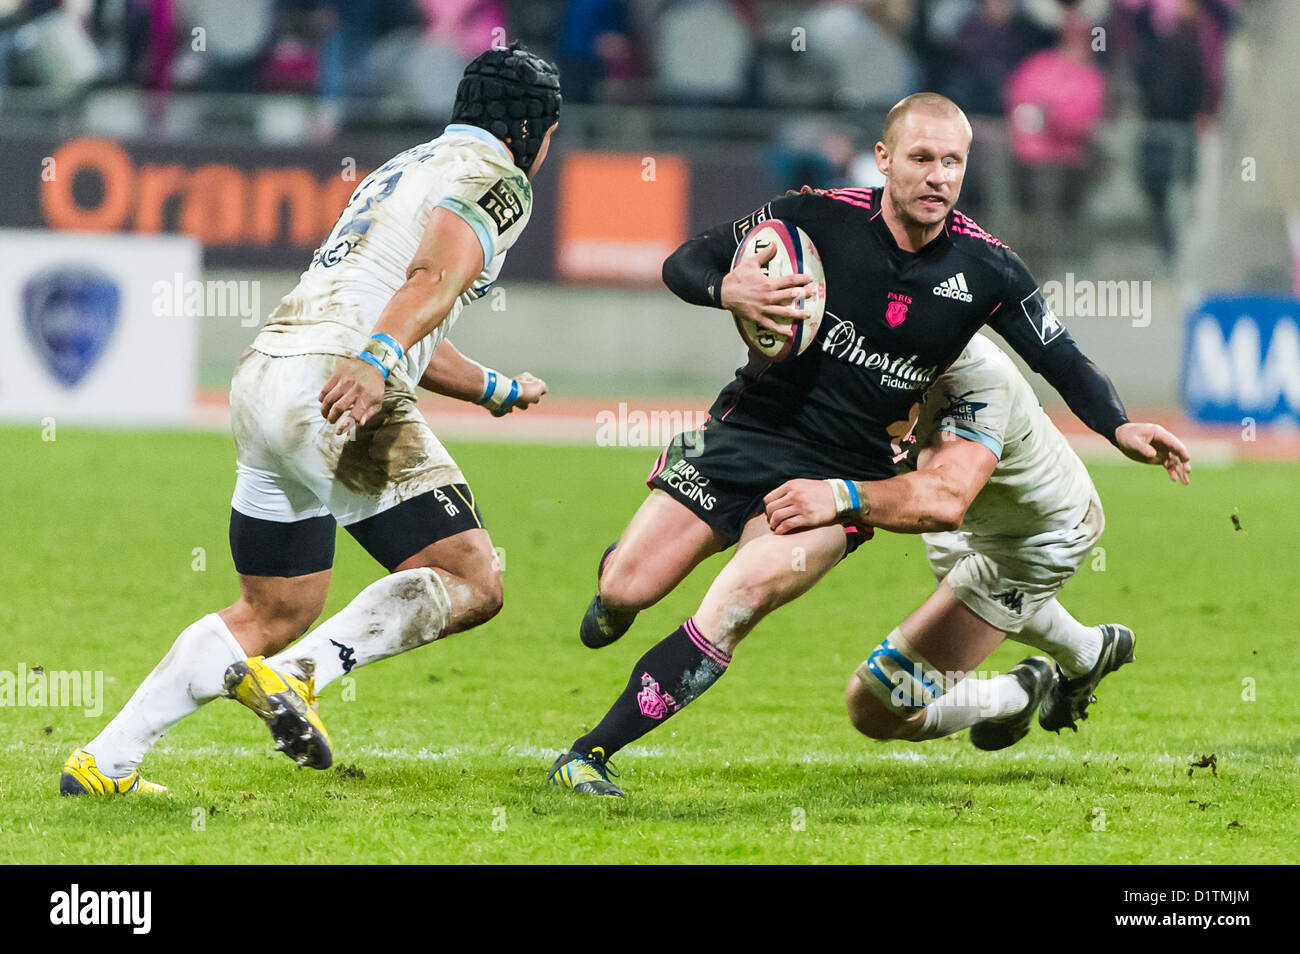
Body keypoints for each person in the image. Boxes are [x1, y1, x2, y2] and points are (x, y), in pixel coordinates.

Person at [547, 92, 1189, 798]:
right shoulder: (812, 217)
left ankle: (589, 753)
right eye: (921, 159)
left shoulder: (988, 270)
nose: (938, 176)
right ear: (884, 160)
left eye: (953, 162)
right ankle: (617, 595)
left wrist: (1119, 425)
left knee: (737, 601)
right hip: (746, 432)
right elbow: (685, 259)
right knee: (627, 586)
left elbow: (1058, 355)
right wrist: (726, 288)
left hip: (842, 477)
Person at [60, 44, 561, 795]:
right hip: (335, 386)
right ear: (533, 131)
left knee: (275, 604)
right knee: (471, 576)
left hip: (265, 379)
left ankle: (106, 761)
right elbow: (431, 280)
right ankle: (298, 676)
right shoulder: (500, 181)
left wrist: (491, 388)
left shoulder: (410, 164)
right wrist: (375, 357)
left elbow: (407, 301)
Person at [764, 333, 1189, 749]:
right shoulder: (868, 346)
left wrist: (841, 496)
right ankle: (1088, 650)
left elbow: (943, 499)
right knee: (961, 587)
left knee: (873, 708)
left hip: (1035, 538)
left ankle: (1015, 692)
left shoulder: (975, 374)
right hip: (964, 523)